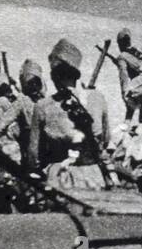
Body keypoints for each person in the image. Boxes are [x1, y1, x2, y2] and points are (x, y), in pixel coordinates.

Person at [28, 39, 110, 189]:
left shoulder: (42, 106)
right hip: (93, 177)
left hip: (60, 177)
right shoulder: (97, 97)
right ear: (76, 74)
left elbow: (34, 155)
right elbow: (105, 139)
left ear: (53, 76)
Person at [115, 27, 142, 125]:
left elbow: (124, 76)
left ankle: (123, 137)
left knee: (128, 116)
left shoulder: (122, 57)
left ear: (120, 43)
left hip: (139, 89)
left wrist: (124, 94)